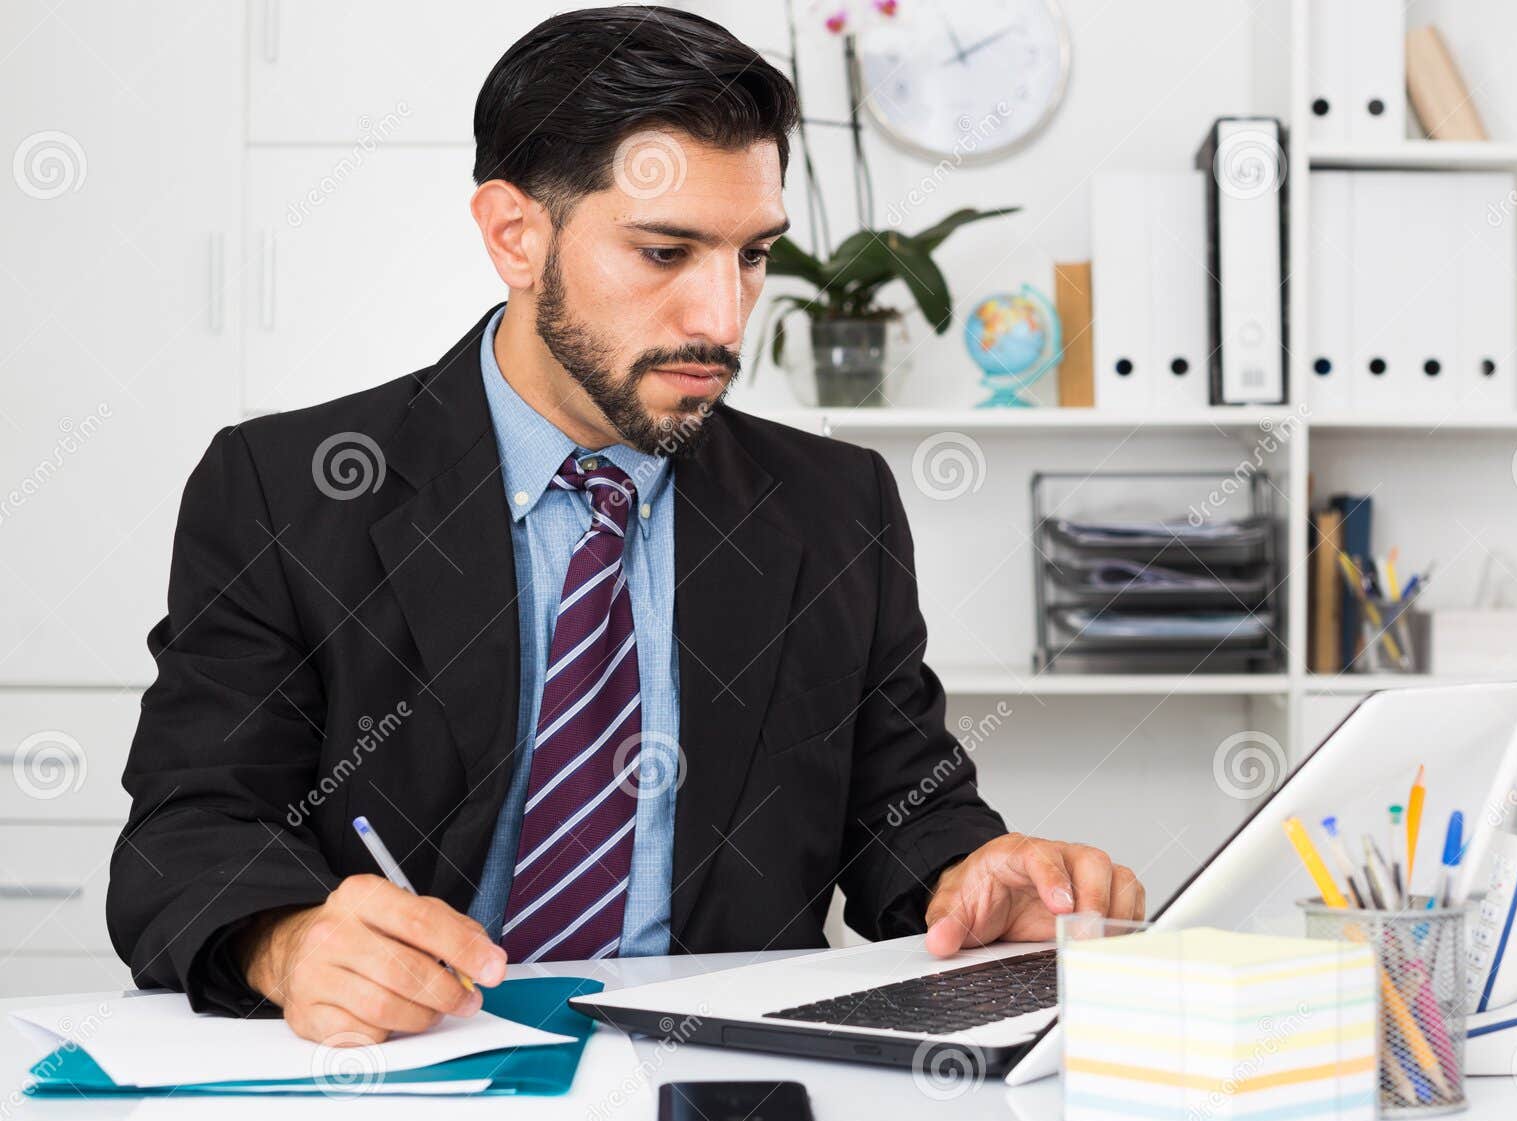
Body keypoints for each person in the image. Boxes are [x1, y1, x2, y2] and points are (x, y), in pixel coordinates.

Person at [108, 5, 1143, 1046]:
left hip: (725, 1087)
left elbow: (904, 814)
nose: (723, 320)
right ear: (516, 235)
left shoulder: (836, 508)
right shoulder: (289, 489)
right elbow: (189, 829)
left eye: (750, 257)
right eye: (664, 252)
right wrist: (286, 939)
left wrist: (976, 873)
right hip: (415, 1064)